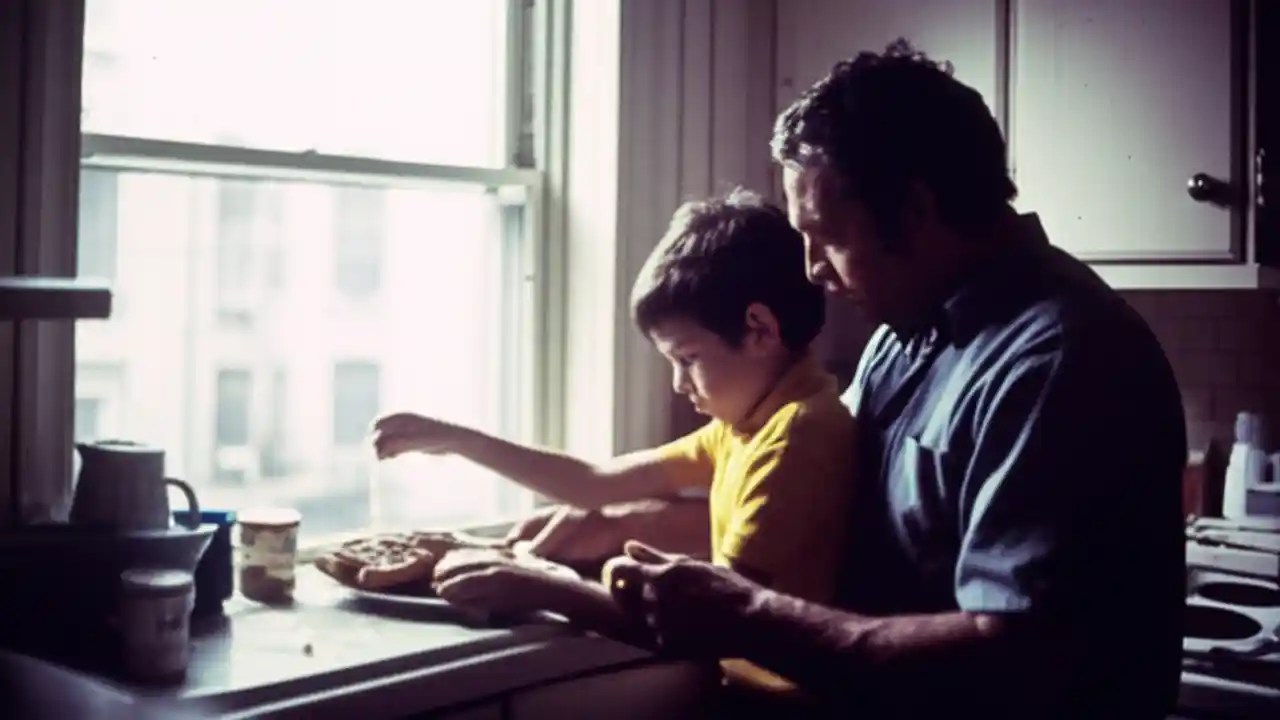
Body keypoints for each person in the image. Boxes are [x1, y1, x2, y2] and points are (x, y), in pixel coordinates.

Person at [604, 40, 1188, 719]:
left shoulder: (1061, 361)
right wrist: (613, 531)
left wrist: (750, 613)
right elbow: (811, 501)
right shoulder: (902, 334)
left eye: (825, 236)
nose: (811, 268)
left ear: (913, 209)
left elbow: (1013, 656)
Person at [371, 189, 858, 695]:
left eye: (687, 358)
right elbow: (594, 482)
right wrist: (455, 439)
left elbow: (718, 622)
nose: (678, 383)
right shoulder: (748, 425)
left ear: (758, 329)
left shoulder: (794, 439)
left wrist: (544, 589)